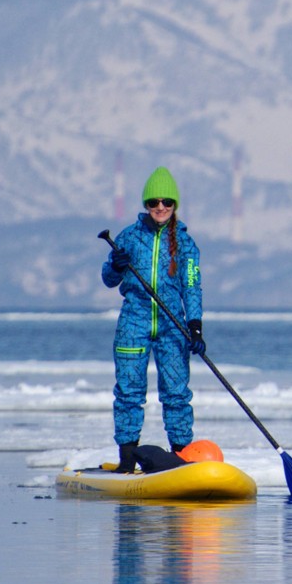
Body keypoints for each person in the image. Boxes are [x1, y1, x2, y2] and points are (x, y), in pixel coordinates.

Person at [101, 166, 206, 473]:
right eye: (154, 202)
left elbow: (192, 285)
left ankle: (181, 457)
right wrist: (117, 266)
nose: (160, 207)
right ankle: (128, 458)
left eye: (167, 202)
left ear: (174, 205)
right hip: (134, 323)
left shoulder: (186, 244)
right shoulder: (129, 237)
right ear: (146, 204)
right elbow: (108, 279)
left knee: (176, 394)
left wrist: (195, 325)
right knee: (129, 391)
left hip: (173, 327)